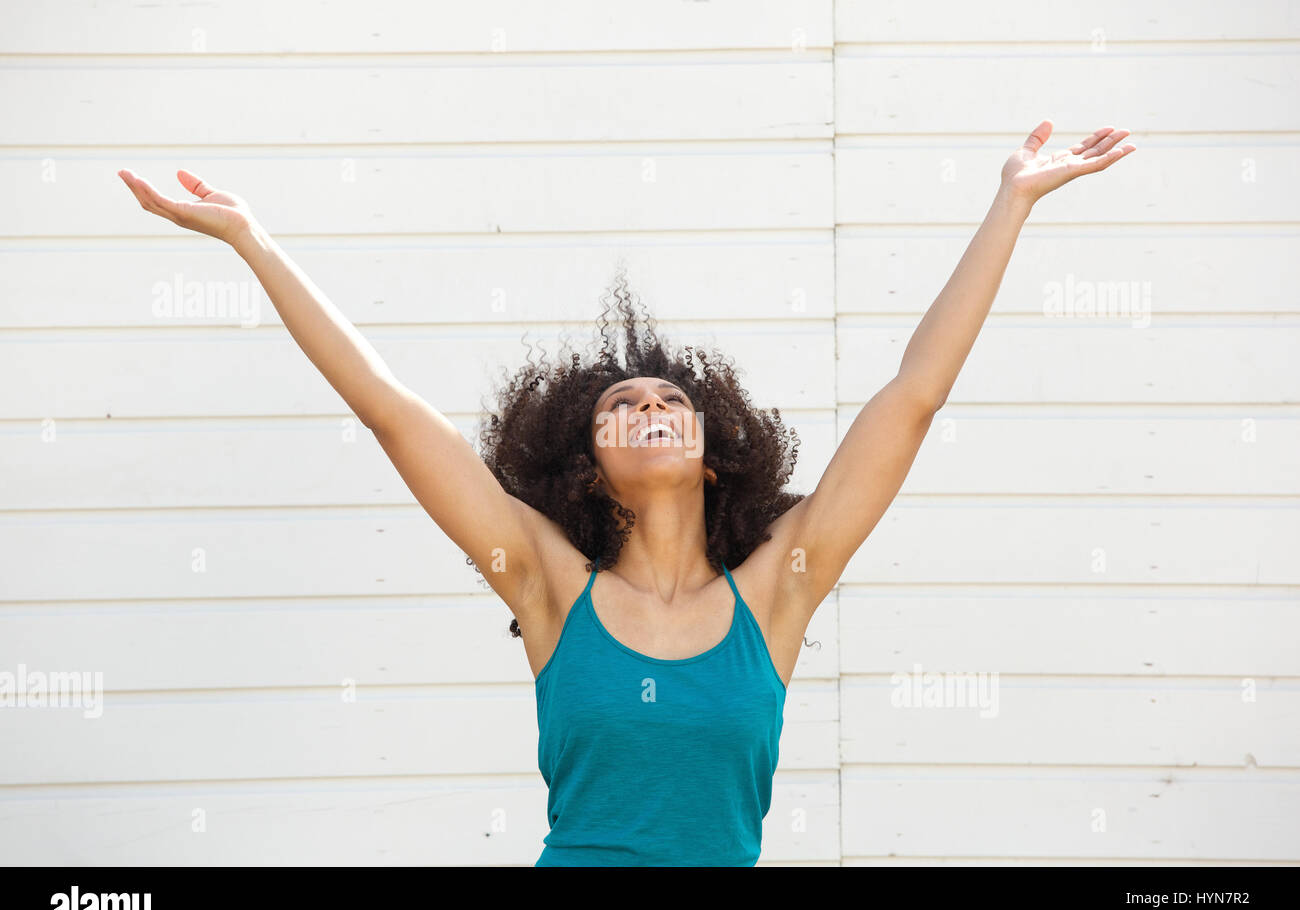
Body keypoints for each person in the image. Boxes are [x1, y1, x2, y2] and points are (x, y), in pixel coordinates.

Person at [117, 120, 1135, 865]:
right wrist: (253, 242)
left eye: (670, 400)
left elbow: (911, 399)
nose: (650, 406)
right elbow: (389, 409)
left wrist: (1009, 204)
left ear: (711, 451)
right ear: (581, 460)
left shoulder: (777, 589)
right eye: (619, 405)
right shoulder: (548, 587)